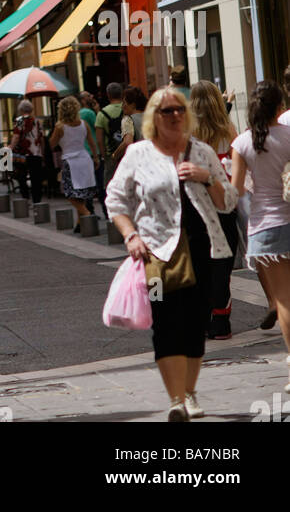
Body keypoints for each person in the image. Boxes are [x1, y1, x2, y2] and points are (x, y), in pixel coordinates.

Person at [106, 87, 236, 422]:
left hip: (204, 250)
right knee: (165, 325)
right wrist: (130, 235)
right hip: (156, 254)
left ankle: (190, 393)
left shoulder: (203, 152)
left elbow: (229, 202)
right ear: (154, 117)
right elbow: (115, 200)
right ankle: (175, 400)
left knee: (195, 325)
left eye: (180, 109)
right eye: (167, 111)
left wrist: (207, 178)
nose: (175, 115)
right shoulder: (138, 154)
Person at [230, 80, 290, 392]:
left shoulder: (242, 143)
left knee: (284, 302)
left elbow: (236, 191)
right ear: (280, 107)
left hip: (266, 228)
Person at [190, 80, 237, 339]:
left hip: (196, 203)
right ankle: (221, 321)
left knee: (200, 260)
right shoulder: (228, 129)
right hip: (223, 201)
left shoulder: (188, 132)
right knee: (223, 262)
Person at [49, 95, 98, 229]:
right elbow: (92, 143)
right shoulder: (84, 124)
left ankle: (86, 214)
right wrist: (96, 158)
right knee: (81, 191)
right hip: (84, 158)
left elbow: (51, 144)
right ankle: (80, 222)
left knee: (69, 192)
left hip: (70, 161)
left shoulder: (60, 127)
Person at [10, 99, 44, 205]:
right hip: (36, 153)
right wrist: (42, 152)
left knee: (21, 176)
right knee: (36, 178)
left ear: (20, 110)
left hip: (22, 153)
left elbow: (16, 136)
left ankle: (25, 198)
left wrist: (10, 147)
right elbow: (41, 138)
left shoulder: (19, 120)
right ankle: (37, 201)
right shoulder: (37, 121)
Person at [95, 83, 126, 184]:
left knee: (111, 184)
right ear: (122, 94)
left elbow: (99, 140)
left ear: (108, 95)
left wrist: (104, 156)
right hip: (128, 151)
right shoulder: (128, 109)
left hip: (111, 153)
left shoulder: (101, 114)